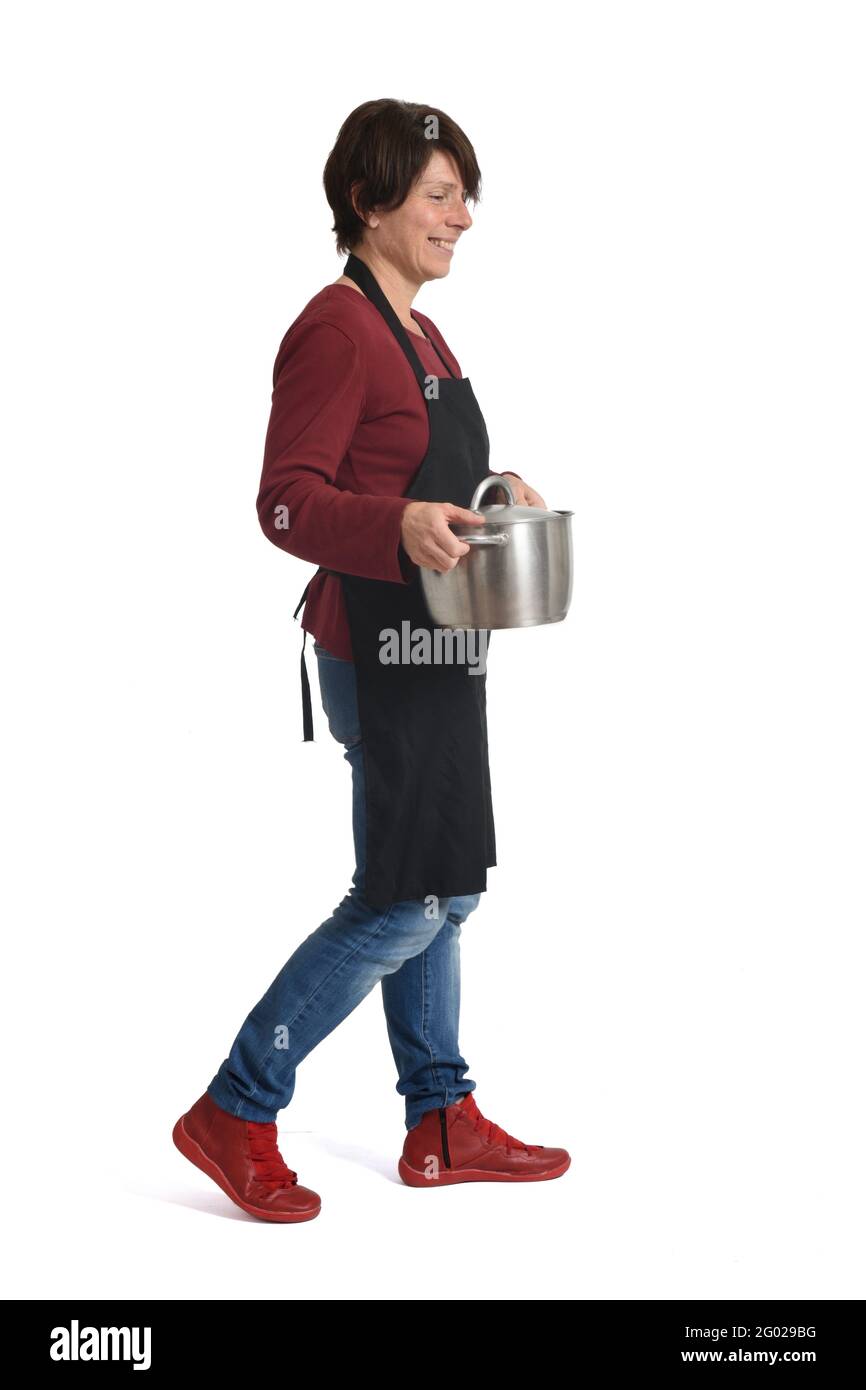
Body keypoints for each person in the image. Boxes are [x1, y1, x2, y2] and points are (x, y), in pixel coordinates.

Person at [173, 99, 570, 1222]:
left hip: (442, 645)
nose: (462, 218)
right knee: (400, 902)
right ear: (369, 202)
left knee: (445, 892)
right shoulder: (334, 328)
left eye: (463, 195)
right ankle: (236, 1104)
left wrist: (495, 500)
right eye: (439, 195)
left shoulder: (425, 332)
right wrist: (392, 527)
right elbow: (287, 503)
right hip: (375, 648)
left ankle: (440, 1121)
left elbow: (414, 473)